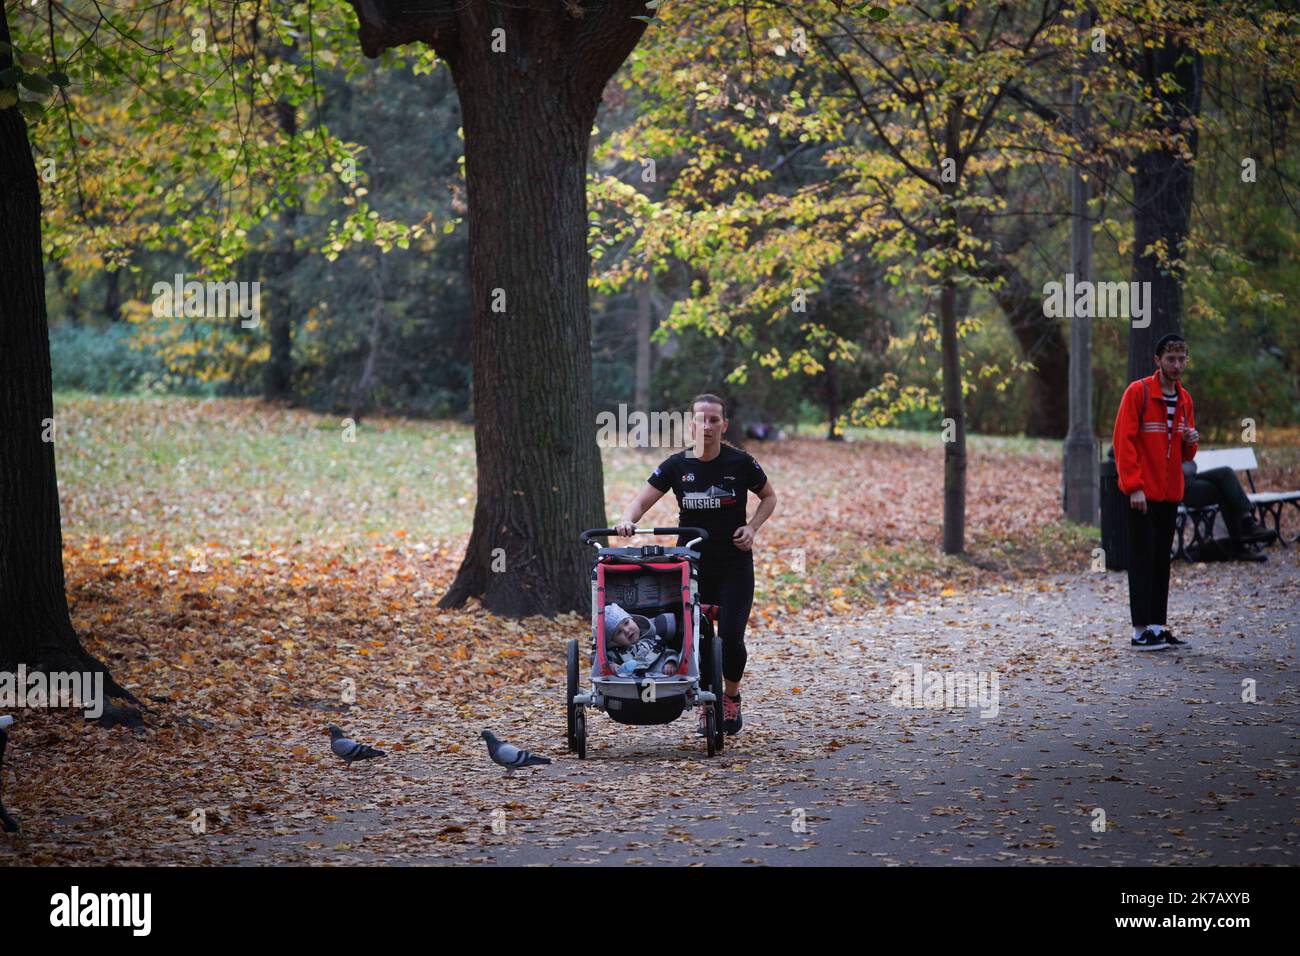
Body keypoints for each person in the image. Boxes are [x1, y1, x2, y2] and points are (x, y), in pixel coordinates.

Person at [615, 393, 777, 735]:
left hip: (734, 564)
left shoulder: (741, 463)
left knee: (732, 638)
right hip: (692, 566)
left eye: (714, 420)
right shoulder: (677, 466)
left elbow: (769, 497)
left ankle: (730, 697)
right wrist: (627, 520)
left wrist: (752, 528)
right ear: (691, 424)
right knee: (697, 637)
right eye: (701, 419)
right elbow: (639, 502)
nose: (707, 426)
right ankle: (708, 702)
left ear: (724, 425)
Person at [1112, 333, 1198, 650]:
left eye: (1182, 359)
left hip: (1169, 493)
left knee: (1162, 559)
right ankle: (1139, 632)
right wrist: (1134, 487)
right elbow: (1123, 442)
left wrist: (1191, 440)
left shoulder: (1185, 399)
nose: (1177, 365)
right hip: (1142, 493)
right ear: (1157, 361)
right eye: (1171, 359)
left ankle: (1158, 627)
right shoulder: (1139, 393)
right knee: (1141, 557)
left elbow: (1185, 455)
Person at [1181, 460, 1277, 561]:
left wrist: (1187, 446)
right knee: (1222, 491)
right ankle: (1239, 546)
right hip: (1180, 488)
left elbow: (1189, 457)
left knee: (1226, 473)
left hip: (1190, 477)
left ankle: (1247, 524)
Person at [603, 603, 680, 676]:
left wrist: (671, 663)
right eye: (619, 632)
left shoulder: (656, 641)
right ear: (614, 641)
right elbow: (605, 661)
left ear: (634, 621)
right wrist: (611, 666)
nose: (626, 630)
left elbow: (670, 653)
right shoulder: (616, 653)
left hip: (663, 680)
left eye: (626, 623)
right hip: (630, 685)